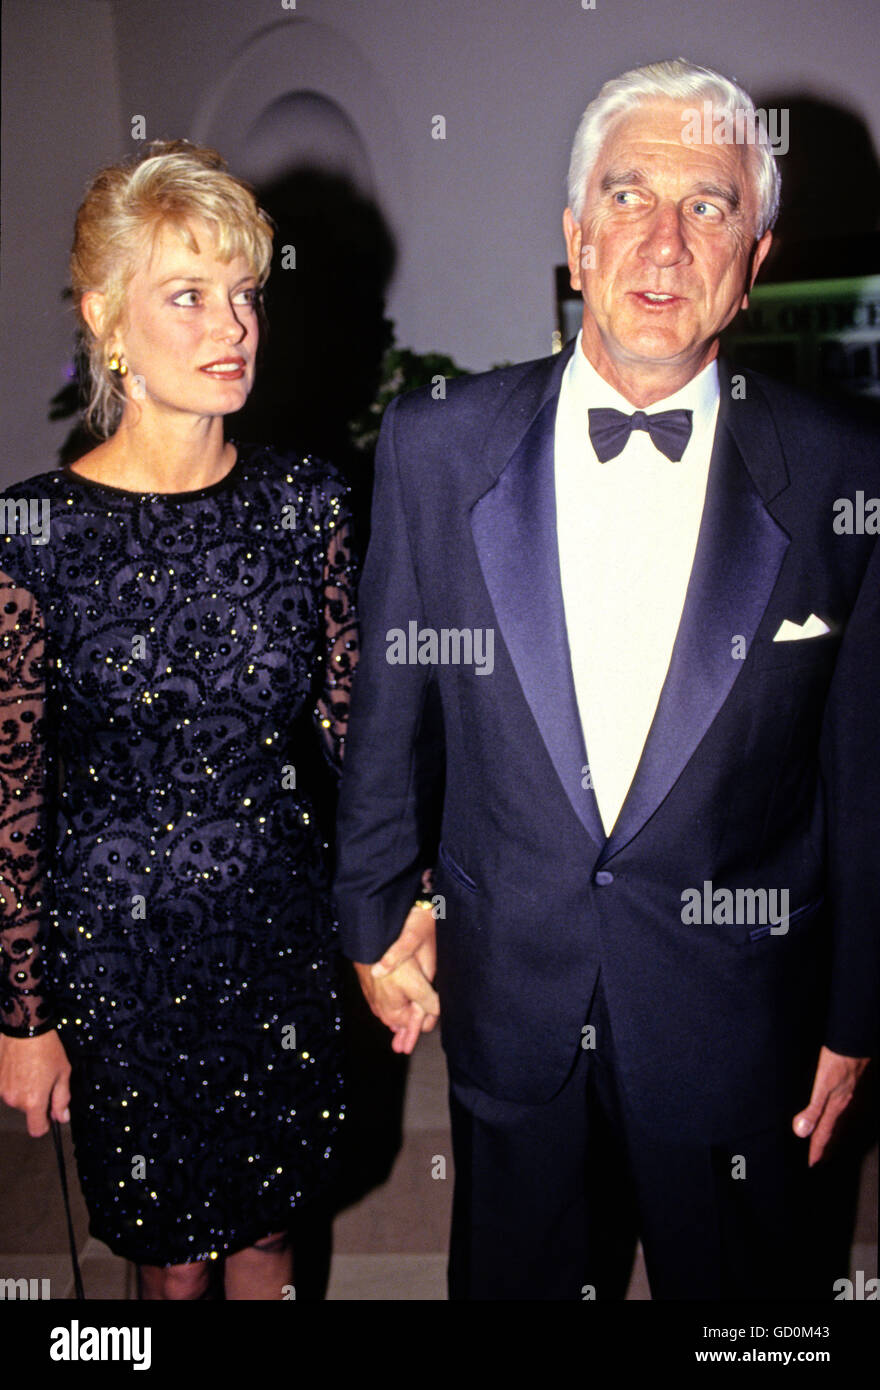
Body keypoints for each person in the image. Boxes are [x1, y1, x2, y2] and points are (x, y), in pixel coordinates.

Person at [333, 58, 878, 1300]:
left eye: (710, 205)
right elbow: (391, 712)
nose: (664, 241)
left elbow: (862, 780)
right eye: (627, 195)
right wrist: (371, 915)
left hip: (742, 1018)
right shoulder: (436, 442)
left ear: (756, 260)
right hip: (512, 994)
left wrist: (852, 1017)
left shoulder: (849, 472)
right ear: (575, 239)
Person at [0, 140, 357, 1299]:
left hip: (280, 929)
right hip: (119, 952)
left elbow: (359, 737)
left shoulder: (306, 502)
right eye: (188, 295)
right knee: (171, 1258)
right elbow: (11, 796)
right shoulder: (32, 533)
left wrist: (399, 912)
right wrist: (21, 1013)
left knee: (269, 1236)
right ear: (108, 318)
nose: (231, 325)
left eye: (244, 292)